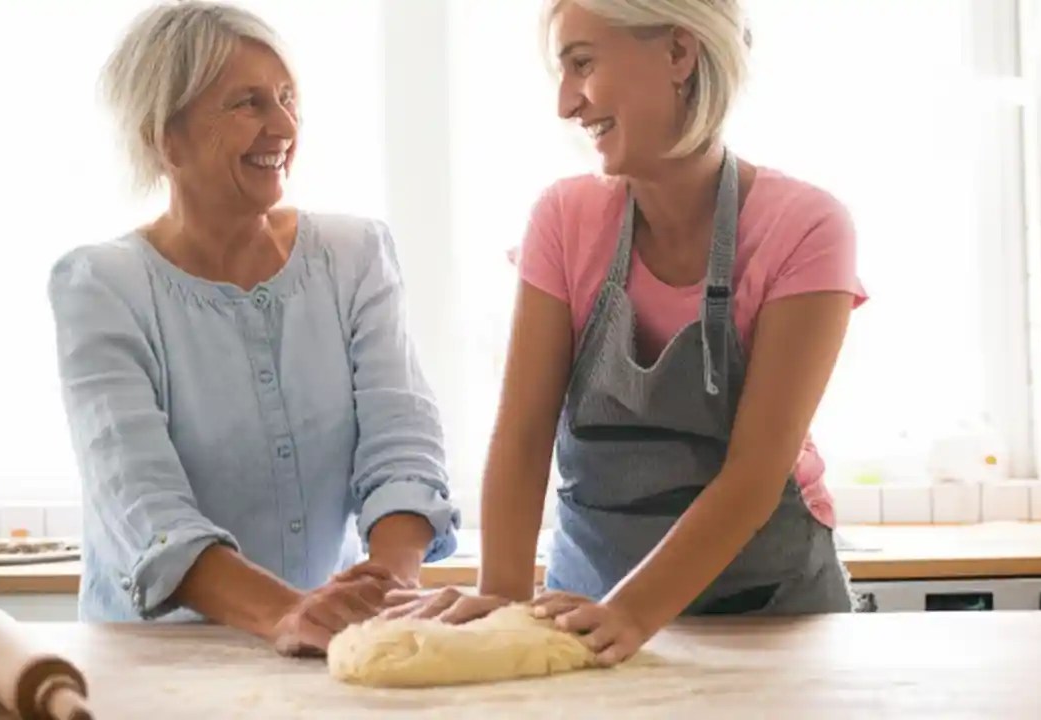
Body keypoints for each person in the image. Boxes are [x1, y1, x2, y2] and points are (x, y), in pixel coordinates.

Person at [386, 0, 866, 666]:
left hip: (768, 625)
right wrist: (499, 594)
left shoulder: (806, 227)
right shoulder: (564, 218)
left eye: (582, 64)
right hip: (584, 621)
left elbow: (755, 473)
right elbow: (523, 433)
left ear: (678, 54)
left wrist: (633, 614)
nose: (565, 104)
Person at [48, 1, 458, 656]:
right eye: (247, 104)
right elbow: (144, 508)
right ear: (166, 137)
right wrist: (290, 615)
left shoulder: (355, 255)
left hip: (330, 652)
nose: (285, 125)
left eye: (288, 98)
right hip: (158, 664)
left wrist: (383, 586)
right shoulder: (102, 286)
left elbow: (402, 441)